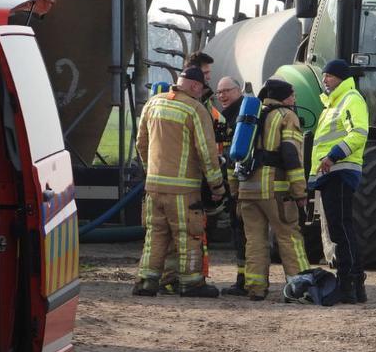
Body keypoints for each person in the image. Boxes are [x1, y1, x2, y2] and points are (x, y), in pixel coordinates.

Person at [133, 66, 225, 298]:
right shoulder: (194, 109)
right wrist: (217, 186)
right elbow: (207, 152)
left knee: (155, 235)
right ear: (195, 86)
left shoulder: (153, 103)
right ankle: (192, 283)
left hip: (153, 187)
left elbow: (141, 143)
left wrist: (151, 171)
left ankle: (146, 282)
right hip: (183, 190)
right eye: (201, 88)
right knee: (188, 235)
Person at [236, 78, 310, 300]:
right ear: (286, 97)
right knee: (289, 236)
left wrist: (235, 189)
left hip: (247, 189)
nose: (295, 99)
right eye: (293, 95)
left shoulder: (251, 115)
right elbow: (290, 155)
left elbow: (238, 156)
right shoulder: (287, 116)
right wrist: (300, 192)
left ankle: (256, 288)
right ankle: (300, 288)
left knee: (255, 240)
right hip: (274, 189)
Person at [309, 58, 369, 303]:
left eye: (329, 76)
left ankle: (349, 283)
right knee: (339, 229)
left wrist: (333, 156)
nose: (324, 80)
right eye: (324, 76)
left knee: (342, 229)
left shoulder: (351, 99)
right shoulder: (331, 105)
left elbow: (359, 133)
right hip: (330, 174)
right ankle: (353, 285)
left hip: (340, 171)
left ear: (341, 78)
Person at [215, 76, 249, 296]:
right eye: (220, 92)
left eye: (227, 90)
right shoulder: (225, 116)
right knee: (240, 233)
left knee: (243, 233)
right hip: (234, 186)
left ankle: (244, 280)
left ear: (239, 90)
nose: (223, 96)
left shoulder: (241, 117)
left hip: (240, 187)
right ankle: (243, 278)